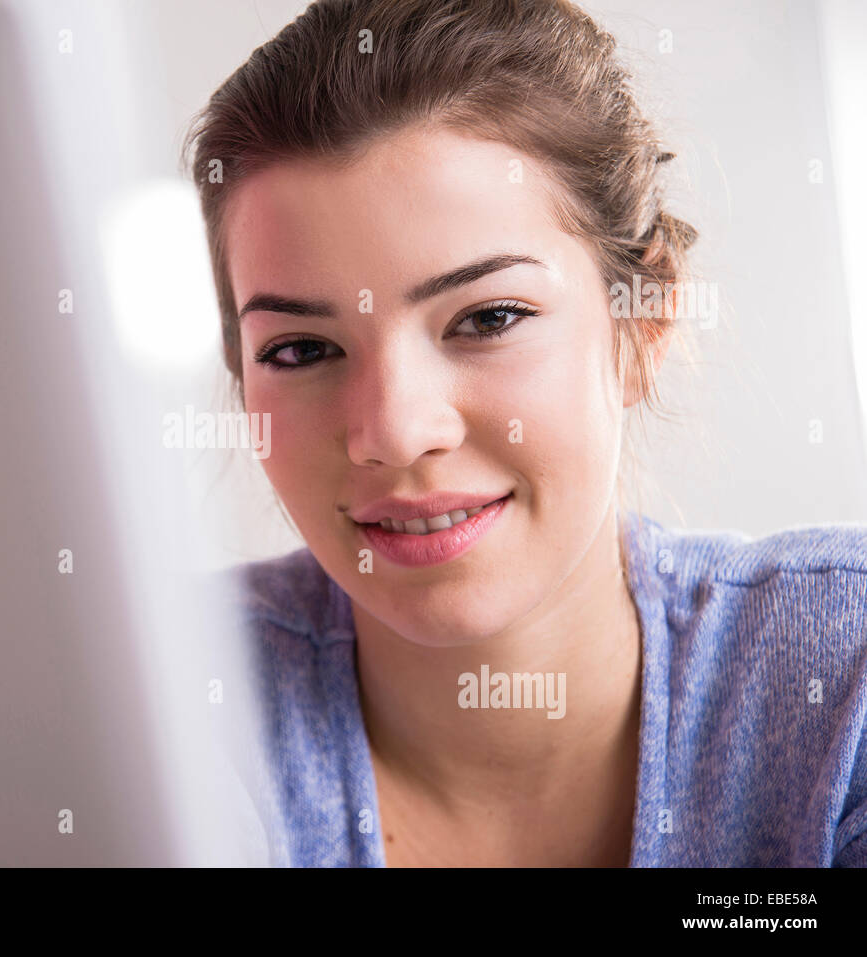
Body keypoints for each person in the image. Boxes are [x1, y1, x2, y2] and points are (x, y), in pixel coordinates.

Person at [181, 0, 867, 866]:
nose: (393, 431)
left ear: (642, 325)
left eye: (488, 317)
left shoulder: (842, 685)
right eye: (303, 348)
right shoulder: (164, 702)